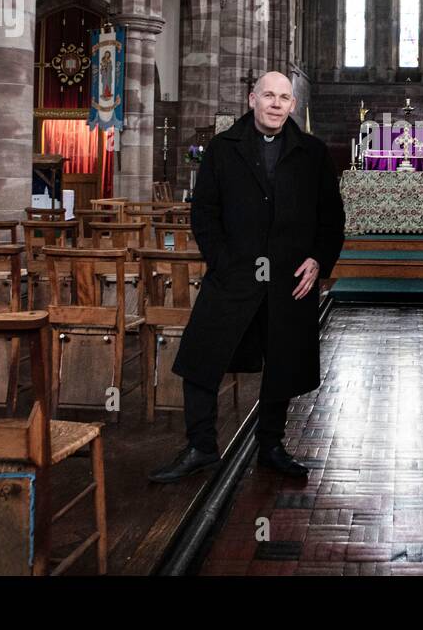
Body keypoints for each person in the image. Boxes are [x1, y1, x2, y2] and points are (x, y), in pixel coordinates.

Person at [148, 72, 345, 482]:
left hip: (290, 277)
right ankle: (201, 445)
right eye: (268, 95)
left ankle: (271, 446)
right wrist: (222, 260)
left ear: (293, 105)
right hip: (234, 273)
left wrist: (317, 260)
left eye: (284, 97)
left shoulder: (312, 152)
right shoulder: (223, 148)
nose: (276, 104)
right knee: (200, 358)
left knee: (283, 364)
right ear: (253, 98)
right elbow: (204, 212)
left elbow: (332, 217)